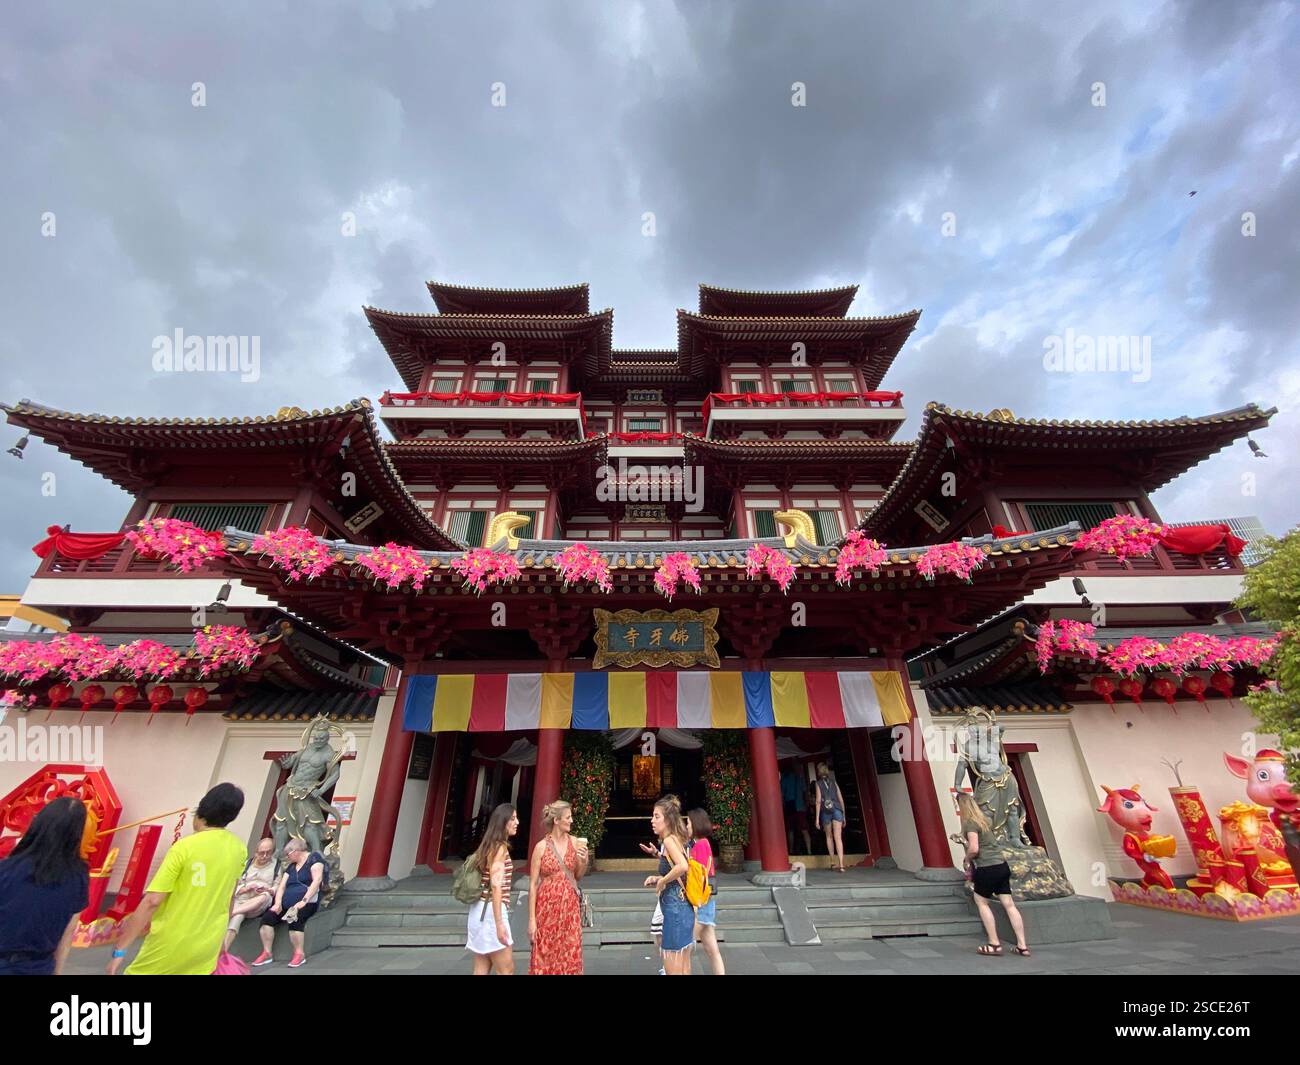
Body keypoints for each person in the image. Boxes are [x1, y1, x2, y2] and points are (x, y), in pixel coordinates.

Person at [111, 783, 247, 975]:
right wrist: (221, 942)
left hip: (170, 944)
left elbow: (152, 900)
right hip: (208, 946)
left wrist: (120, 949)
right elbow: (230, 898)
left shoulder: (184, 847)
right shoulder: (239, 849)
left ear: (202, 808)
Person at [0, 797, 90, 975]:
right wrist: (57, 971)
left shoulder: (6, 869)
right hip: (38, 965)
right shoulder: (78, 877)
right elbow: (67, 933)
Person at [958, 792, 1030, 957]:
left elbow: (974, 848)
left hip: (987, 867)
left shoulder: (970, 824)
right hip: (1001, 865)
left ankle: (994, 943)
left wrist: (967, 858)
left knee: (981, 902)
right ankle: (1022, 945)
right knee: (1009, 904)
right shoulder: (985, 821)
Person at [527, 799, 588, 975]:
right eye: (568, 817)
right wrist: (532, 920)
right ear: (556, 820)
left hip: (569, 907)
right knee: (545, 952)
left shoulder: (575, 842)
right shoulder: (541, 847)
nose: (571, 821)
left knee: (569, 951)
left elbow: (578, 875)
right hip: (546, 909)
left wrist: (583, 861)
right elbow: (533, 884)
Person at [254, 837, 326, 968]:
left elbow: (317, 881)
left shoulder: (314, 860)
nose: (287, 856)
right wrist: (278, 903)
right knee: (267, 918)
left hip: (306, 901)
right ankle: (267, 952)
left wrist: (304, 901)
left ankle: (299, 953)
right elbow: (282, 886)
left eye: (289, 854)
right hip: (287, 902)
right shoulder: (291, 867)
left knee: (294, 918)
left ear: (296, 851)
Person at [467, 804, 519, 975]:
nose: (517, 822)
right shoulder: (500, 848)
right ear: (502, 822)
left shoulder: (487, 846)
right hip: (491, 912)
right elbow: (496, 885)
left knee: (481, 968)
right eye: (512, 819)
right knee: (506, 969)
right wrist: (499, 923)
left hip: (478, 909)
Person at [644, 795, 693, 975]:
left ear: (668, 820)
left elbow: (682, 866)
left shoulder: (669, 841)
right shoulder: (675, 839)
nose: (652, 820)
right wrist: (659, 878)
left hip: (675, 907)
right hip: (683, 905)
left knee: (672, 966)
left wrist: (663, 881)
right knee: (683, 965)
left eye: (657, 816)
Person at [687, 808, 725, 976]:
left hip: (701, 900)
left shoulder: (701, 844)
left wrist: (696, 904)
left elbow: (699, 875)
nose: (686, 825)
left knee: (684, 945)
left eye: (688, 822)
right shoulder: (701, 843)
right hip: (705, 899)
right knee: (712, 949)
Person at [224, 838, 279, 950]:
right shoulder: (247, 864)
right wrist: (245, 888)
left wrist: (269, 890)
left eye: (268, 853)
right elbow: (236, 882)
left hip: (259, 901)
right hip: (243, 898)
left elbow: (278, 885)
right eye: (261, 853)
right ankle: (224, 950)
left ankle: (231, 912)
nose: (264, 856)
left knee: (264, 897)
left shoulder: (277, 866)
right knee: (238, 917)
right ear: (256, 852)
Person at [815, 762, 848, 873]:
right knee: (838, 837)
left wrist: (817, 818)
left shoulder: (818, 784)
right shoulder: (834, 782)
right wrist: (844, 815)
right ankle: (842, 865)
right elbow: (841, 799)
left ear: (819, 772)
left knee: (829, 837)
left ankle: (833, 862)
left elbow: (818, 801)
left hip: (826, 811)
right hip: (837, 809)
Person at [781, 765, 812, 855]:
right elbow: (805, 792)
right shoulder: (800, 779)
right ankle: (809, 851)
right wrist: (807, 803)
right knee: (804, 830)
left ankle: (790, 850)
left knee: (790, 830)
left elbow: (782, 795)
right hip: (800, 806)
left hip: (790, 806)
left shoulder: (784, 779)